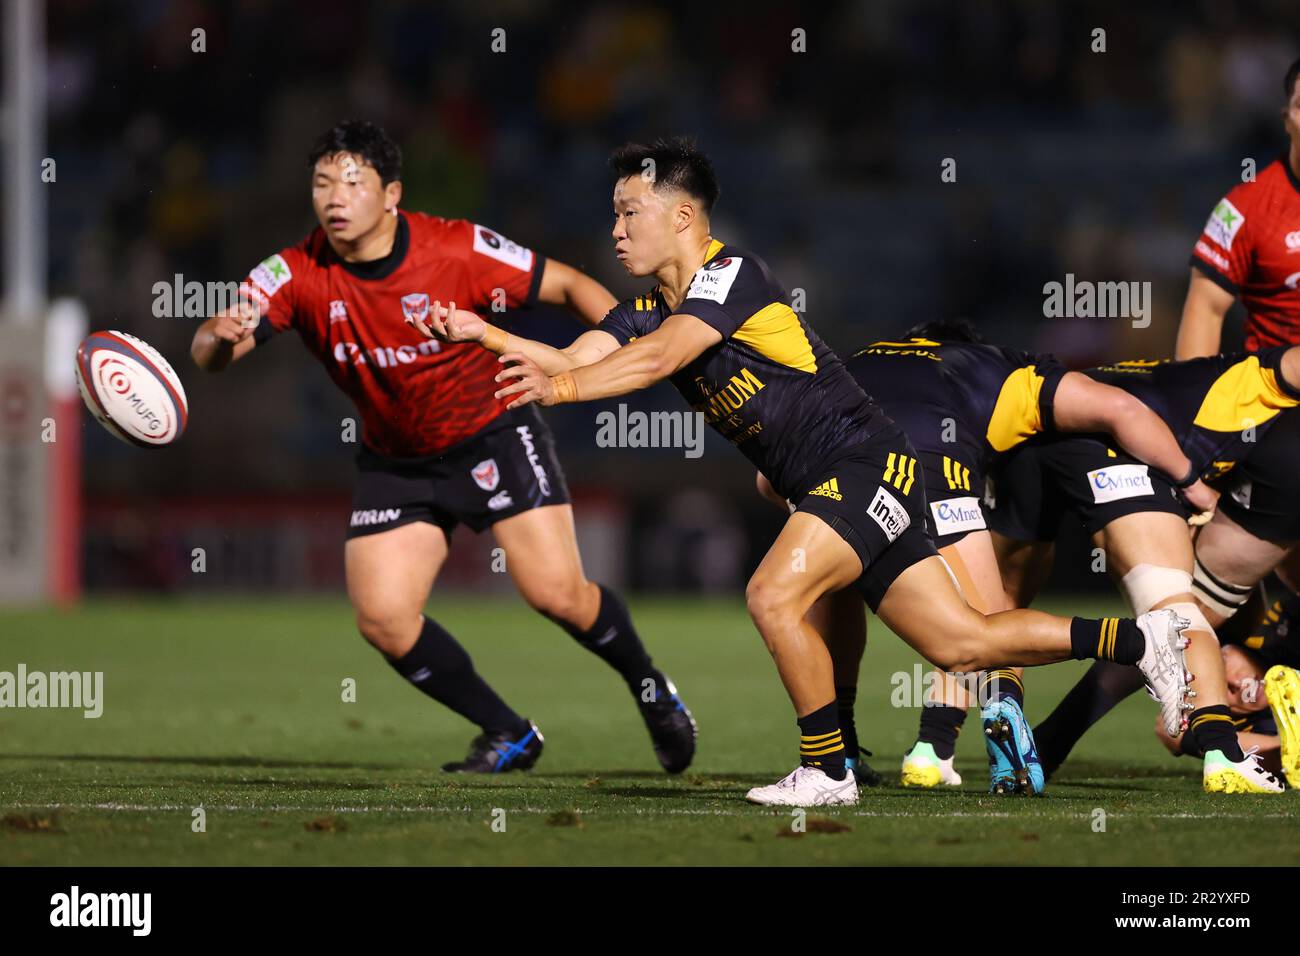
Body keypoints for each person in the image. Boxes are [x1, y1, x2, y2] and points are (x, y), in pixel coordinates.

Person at [411, 135, 1193, 807]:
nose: (614, 229)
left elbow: (654, 362)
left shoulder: (731, 277)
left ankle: (826, 768)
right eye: (614, 213)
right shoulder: (646, 308)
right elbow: (585, 356)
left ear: (682, 216)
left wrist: (565, 386)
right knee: (964, 644)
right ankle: (1146, 642)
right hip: (850, 477)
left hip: (862, 464)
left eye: (628, 212)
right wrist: (488, 334)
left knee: (771, 593)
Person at [190, 120, 697, 774]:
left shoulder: (455, 249)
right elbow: (211, 355)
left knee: (557, 594)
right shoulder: (294, 272)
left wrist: (623, 348)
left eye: (352, 182)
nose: (334, 198)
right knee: (384, 619)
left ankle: (651, 689)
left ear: (391, 193)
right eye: (322, 184)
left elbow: (568, 285)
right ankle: (508, 732)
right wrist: (217, 335)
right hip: (397, 461)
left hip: (493, 431)